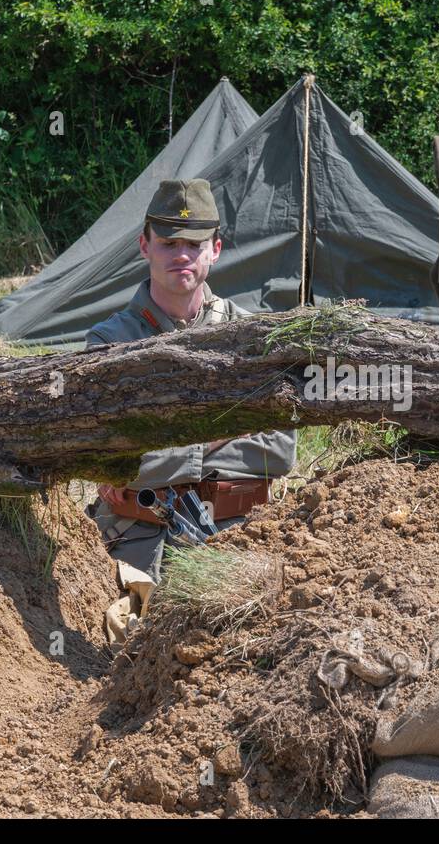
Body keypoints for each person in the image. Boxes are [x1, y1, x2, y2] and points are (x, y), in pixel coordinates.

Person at [86, 178, 296, 582]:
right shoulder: (109, 342)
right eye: (168, 243)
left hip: (239, 530)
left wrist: (159, 447)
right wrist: (232, 426)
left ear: (215, 249)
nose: (181, 255)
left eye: (194, 245)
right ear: (145, 246)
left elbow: (280, 450)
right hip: (137, 538)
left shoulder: (254, 338)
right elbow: (110, 457)